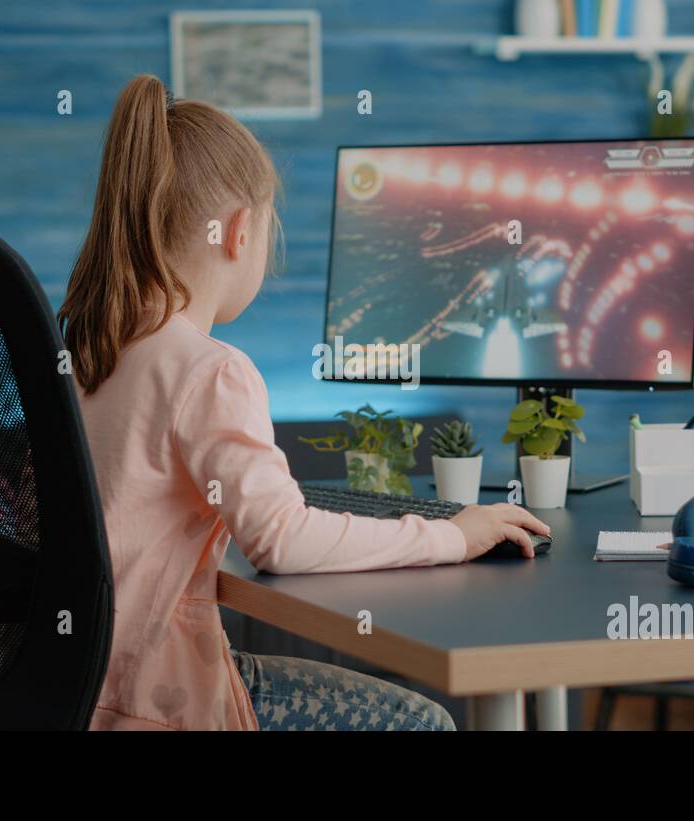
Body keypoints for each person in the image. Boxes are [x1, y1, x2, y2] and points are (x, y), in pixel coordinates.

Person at [59, 74, 550, 731]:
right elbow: (280, 538)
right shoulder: (210, 371)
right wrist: (452, 535)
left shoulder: (96, 352)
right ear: (238, 233)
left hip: (78, 690)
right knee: (423, 721)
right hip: (161, 696)